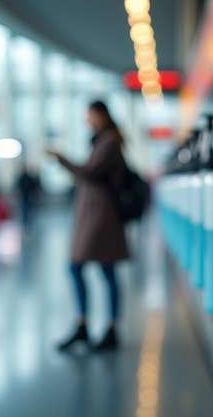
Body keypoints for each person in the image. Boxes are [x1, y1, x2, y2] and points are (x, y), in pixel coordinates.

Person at [47, 100, 129, 351]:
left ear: (101, 115)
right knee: (102, 269)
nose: (88, 121)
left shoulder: (109, 142)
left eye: (90, 116)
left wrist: (62, 160)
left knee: (83, 266)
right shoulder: (103, 141)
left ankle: (101, 326)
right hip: (96, 214)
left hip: (101, 216)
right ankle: (93, 326)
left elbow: (90, 172)